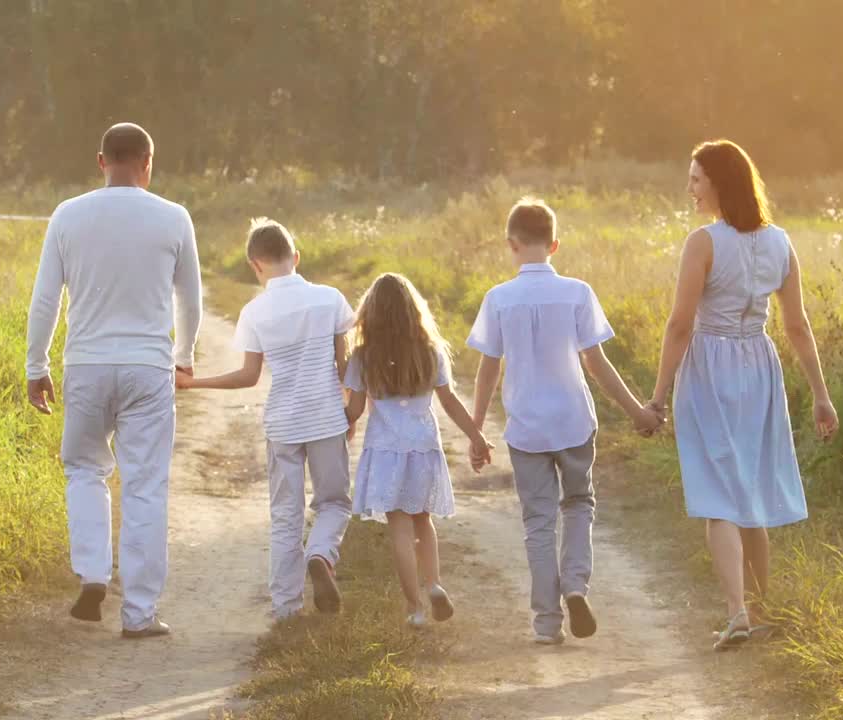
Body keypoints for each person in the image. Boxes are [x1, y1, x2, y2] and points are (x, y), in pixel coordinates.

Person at [648, 139, 839, 650]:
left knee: (718, 495)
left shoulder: (703, 242)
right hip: (759, 365)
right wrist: (821, 393)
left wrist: (658, 396)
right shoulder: (780, 241)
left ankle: (737, 612)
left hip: (711, 364)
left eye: (695, 178)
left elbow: (680, 326)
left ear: (718, 182)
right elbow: (797, 326)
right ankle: (758, 610)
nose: (689, 188)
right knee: (750, 491)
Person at [25, 122, 202, 639]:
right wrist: (183, 356)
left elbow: (46, 299)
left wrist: (36, 366)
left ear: (100, 160)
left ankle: (93, 574)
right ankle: (140, 613)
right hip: (148, 367)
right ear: (149, 163)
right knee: (145, 485)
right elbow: (189, 300)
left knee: (83, 469)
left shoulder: (68, 215)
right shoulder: (174, 217)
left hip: (86, 364)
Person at [467, 197, 663, 646]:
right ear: (554, 244)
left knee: (538, 521)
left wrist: (477, 431)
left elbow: (488, 370)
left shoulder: (497, 299)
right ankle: (575, 585)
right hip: (574, 422)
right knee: (578, 505)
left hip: (527, 429)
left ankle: (546, 623)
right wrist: (638, 413)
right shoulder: (578, 292)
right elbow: (597, 364)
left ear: (510, 244)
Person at [175, 218, 353, 620]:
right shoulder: (330, 299)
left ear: (255, 265)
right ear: (296, 256)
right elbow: (345, 366)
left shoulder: (255, 311)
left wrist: (194, 382)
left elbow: (248, 376)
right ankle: (321, 556)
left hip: (284, 425)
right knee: (335, 503)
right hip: (326, 418)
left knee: (285, 515)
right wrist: (352, 409)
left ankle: (286, 607)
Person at [343, 273, 493, 628]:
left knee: (398, 525)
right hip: (424, 447)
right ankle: (435, 584)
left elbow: (354, 411)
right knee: (423, 520)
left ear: (370, 314)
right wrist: (476, 436)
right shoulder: (431, 352)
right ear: (414, 311)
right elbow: (450, 401)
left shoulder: (363, 358)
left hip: (385, 450)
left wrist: (335, 423)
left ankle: (414, 608)